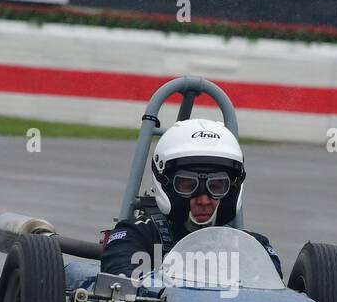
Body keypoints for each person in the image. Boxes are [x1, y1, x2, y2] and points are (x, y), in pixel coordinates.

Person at [101, 118, 281, 280]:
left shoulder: (255, 249)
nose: (204, 200)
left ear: (232, 187)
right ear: (166, 184)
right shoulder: (136, 235)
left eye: (216, 186)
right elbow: (119, 282)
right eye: (188, 185)